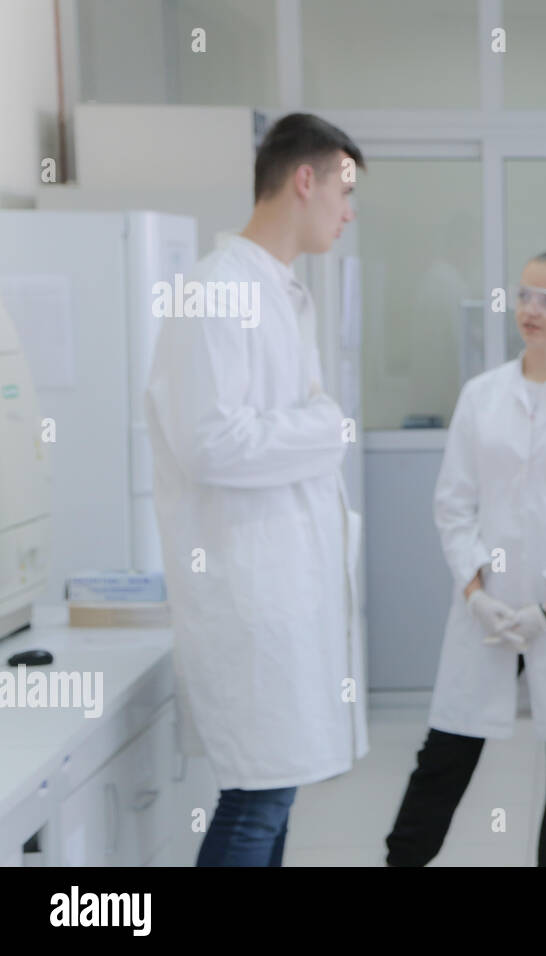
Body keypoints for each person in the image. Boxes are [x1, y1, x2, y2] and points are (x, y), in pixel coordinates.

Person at [146, 113, 368, 866]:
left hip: (283, 592)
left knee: (272, 798)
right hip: (250, 596)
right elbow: (211, 444)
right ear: (305, 179)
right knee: (256, 803)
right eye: (344, 190)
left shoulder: (279, 292)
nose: (349, 210)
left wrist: (314, 425)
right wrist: (322, 427)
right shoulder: (216, 291)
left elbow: (278, 430)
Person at [386, 250, 546, 867]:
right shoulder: (481, 395)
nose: (530, 310)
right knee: (446, 750)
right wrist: (476, 594)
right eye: (524, 296)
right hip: (487, 606)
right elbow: (454, 504)